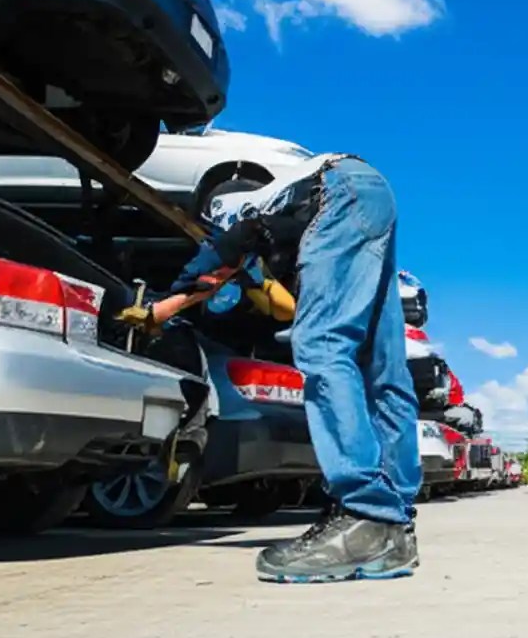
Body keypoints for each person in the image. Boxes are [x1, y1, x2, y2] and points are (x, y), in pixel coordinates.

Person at [117, 154, 422, 583]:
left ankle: (363, 513)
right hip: (371, 194)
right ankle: (392, 528)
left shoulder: (232, 217)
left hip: (336, 193)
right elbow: (282, 304)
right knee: (381, 368)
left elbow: (209, 269)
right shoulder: (276, 229)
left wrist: (155, 313)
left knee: (322, 344)